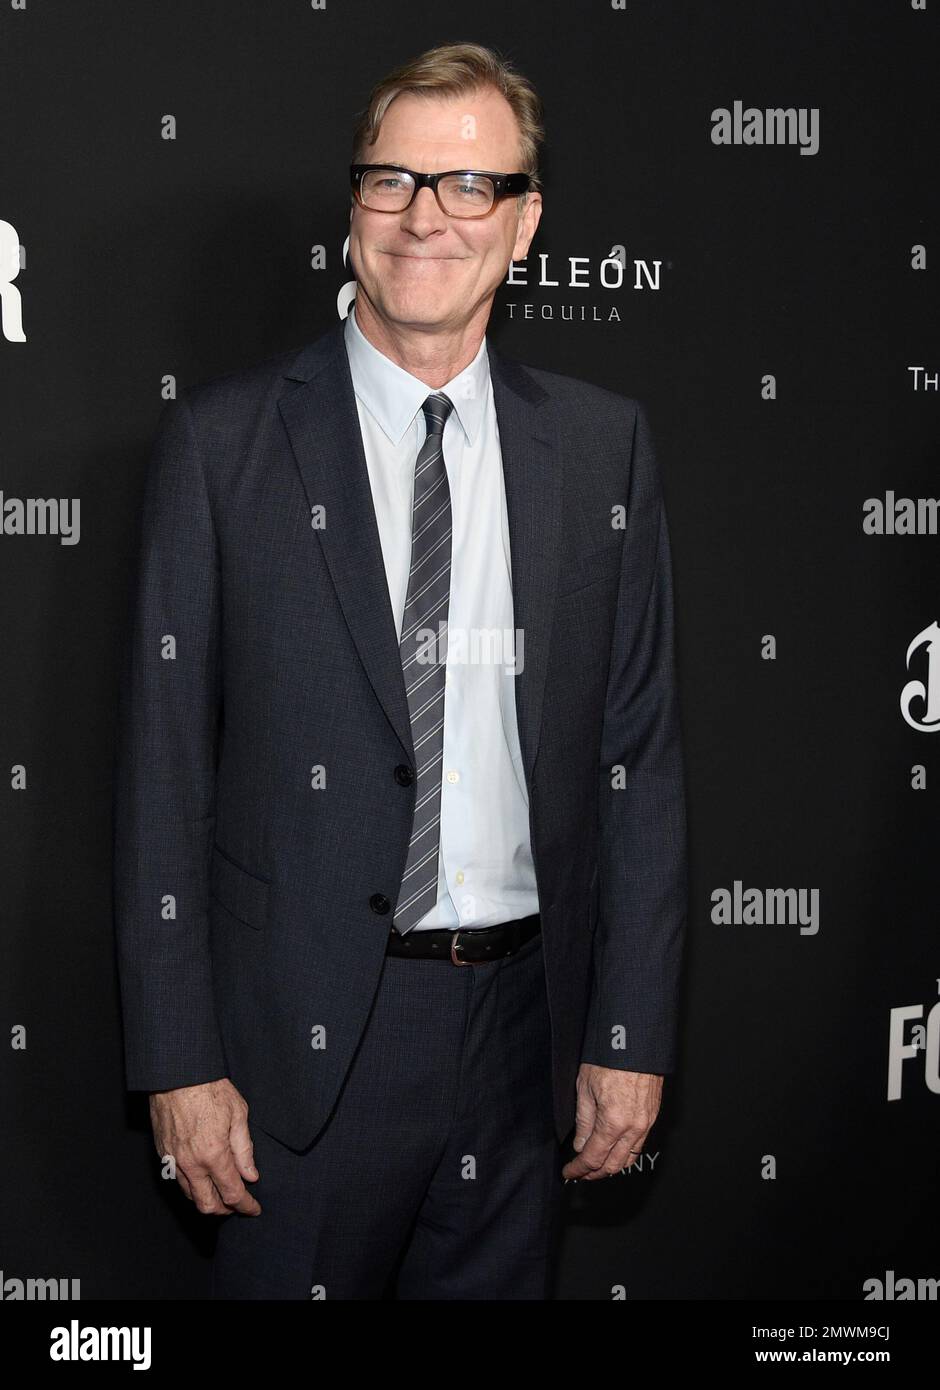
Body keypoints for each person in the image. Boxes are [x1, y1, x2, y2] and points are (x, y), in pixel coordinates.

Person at [113, 40, 688, 1301]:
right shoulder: (223, 446)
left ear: (525, 223)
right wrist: (177, 1063)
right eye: (394, 180)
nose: (427, 216)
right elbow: (164, 773)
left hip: (523, 1039)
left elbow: (635, 761)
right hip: (292, 1060)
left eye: (470, 185)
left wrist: (629, 1035)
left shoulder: (601, 451)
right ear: (354, 209)